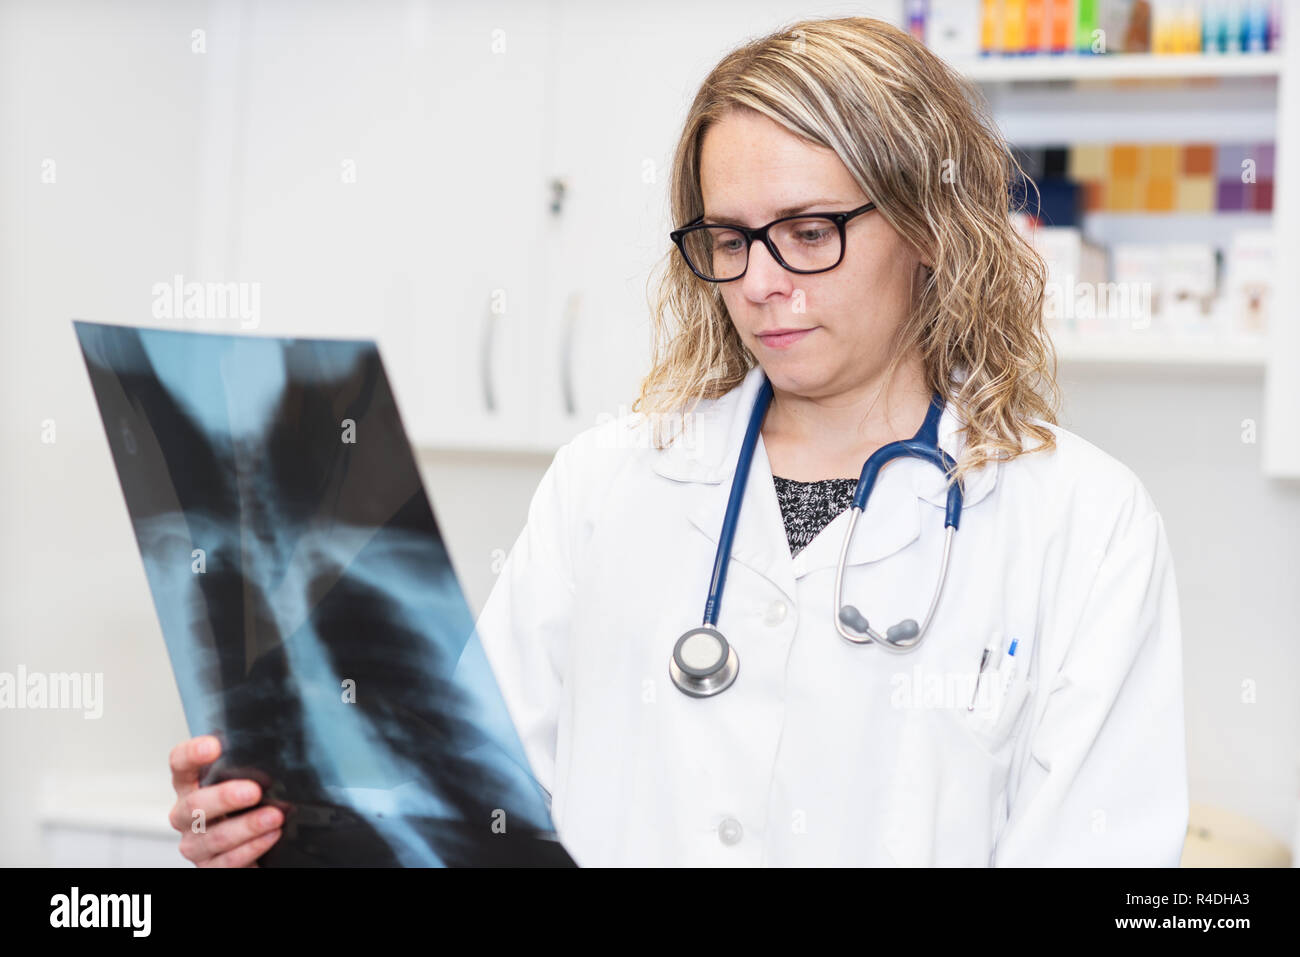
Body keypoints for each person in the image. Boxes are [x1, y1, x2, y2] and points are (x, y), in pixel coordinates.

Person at [167, 15, 1187, 867]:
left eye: (808, 230)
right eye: (729, 238)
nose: (758, 282)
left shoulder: (1079, 523)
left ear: (927, 227)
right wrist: (284, 834)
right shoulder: (610, 484)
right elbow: (465, 821)